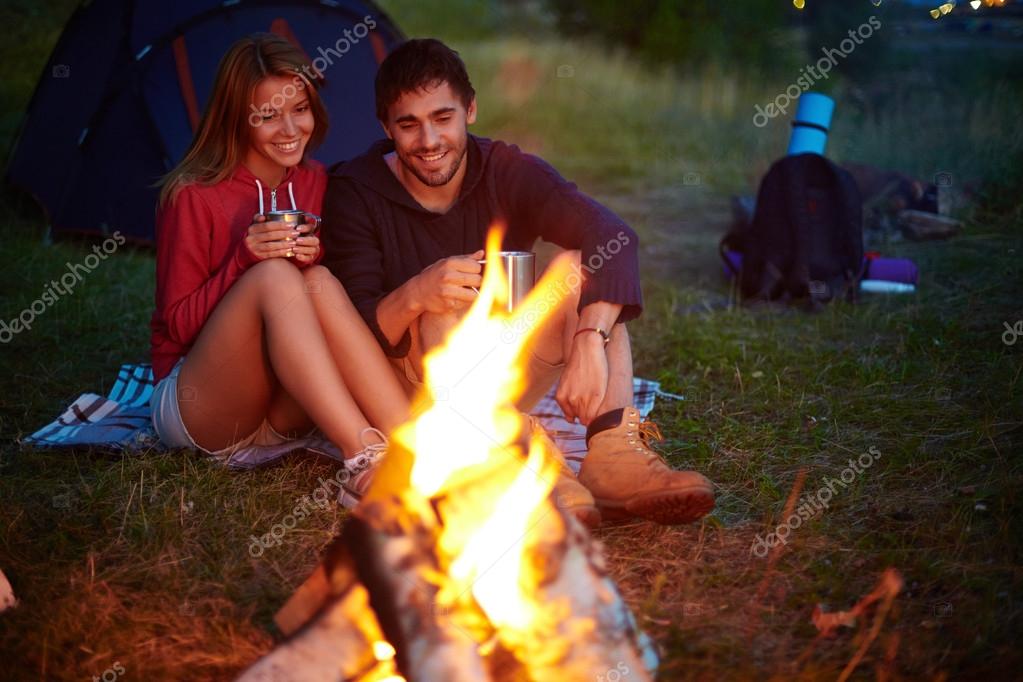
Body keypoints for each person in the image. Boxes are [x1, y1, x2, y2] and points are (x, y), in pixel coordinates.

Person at [321, 38, 714, 527]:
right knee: (444, 305)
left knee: (575, 271)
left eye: (442, 118)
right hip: (417, 387)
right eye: (409, 124)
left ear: (471, 109)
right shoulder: (355, 192)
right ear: (386, 127)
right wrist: (418, 292)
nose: (428, 140)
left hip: (505, 374)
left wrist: (590, 340)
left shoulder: (505, 169)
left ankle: (614, 458)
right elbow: (348, 332)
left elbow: (613, 236)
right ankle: (527, 465)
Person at [149, 33, 408, 505]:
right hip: (202, 407)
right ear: (237, 120)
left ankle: (415, 441)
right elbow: (177, 326)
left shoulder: (315, 182)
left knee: (318, 280)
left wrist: (315, 260)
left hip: (283, 409)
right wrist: (243, 261)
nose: (290, 129)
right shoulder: (192, 195)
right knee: (273, 277)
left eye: (300, 109)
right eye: (267, 116)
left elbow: (323, 308)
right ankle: (365, 456)